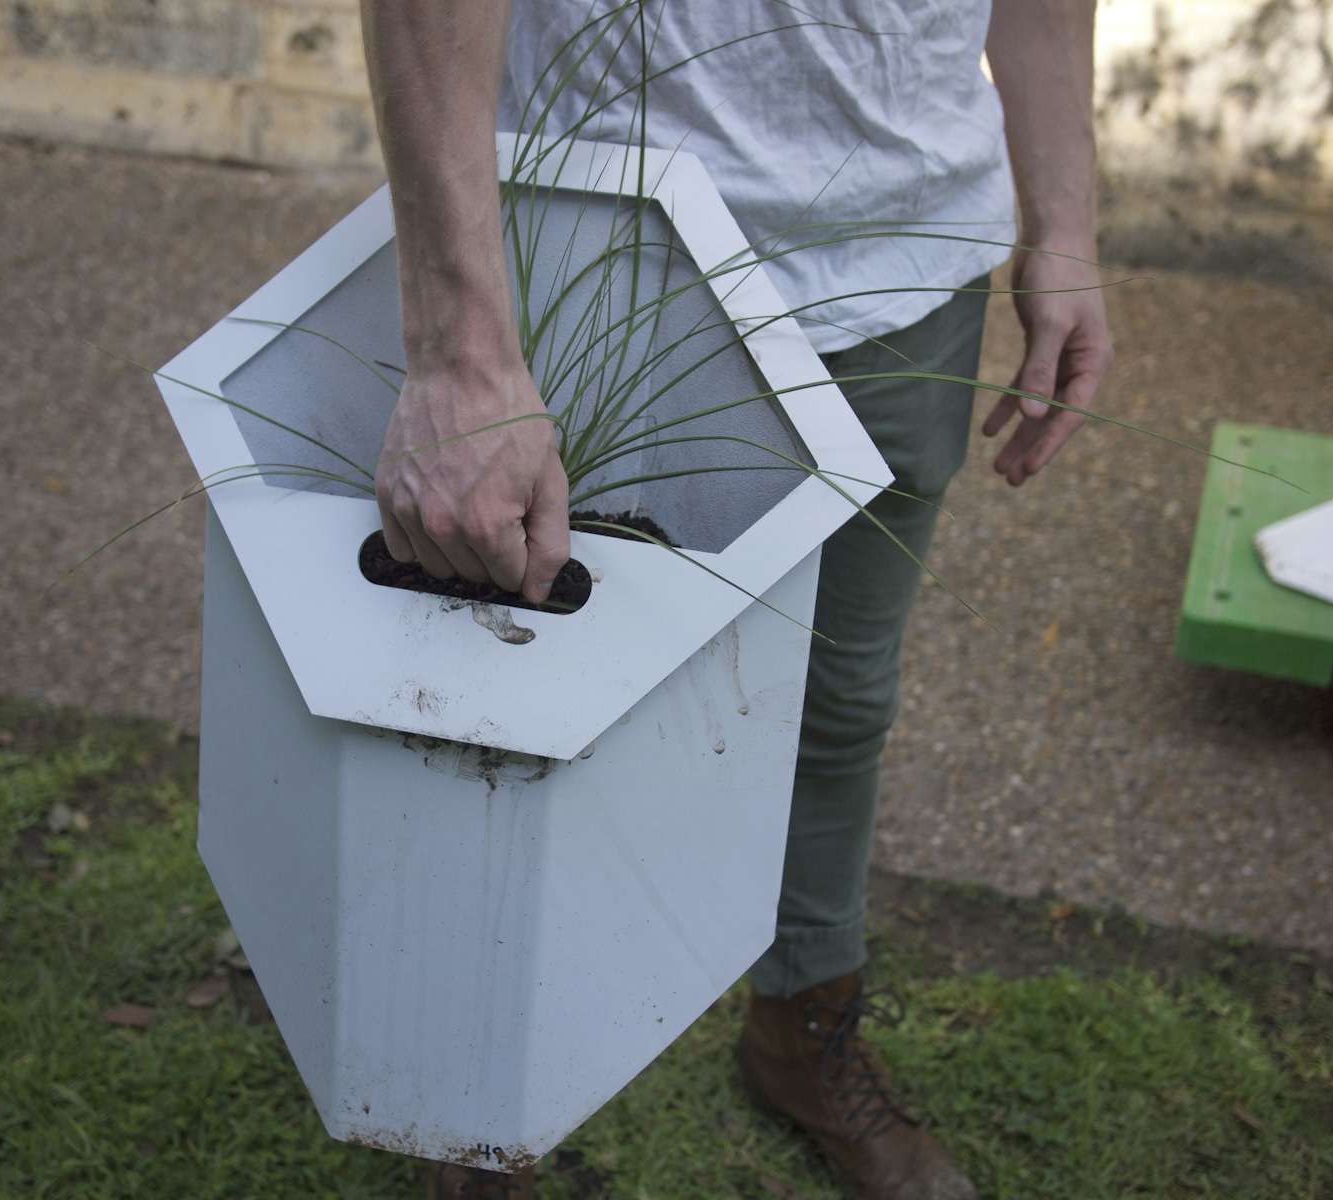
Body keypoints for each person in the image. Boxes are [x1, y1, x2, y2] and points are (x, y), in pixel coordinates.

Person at [361, 3, 1112, 1197]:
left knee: (834, 702)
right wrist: (458, 343)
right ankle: (481, 1093)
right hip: (606, 241)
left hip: (905, 272)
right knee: (519, 702)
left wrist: (1062, 228)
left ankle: (800, 1037)